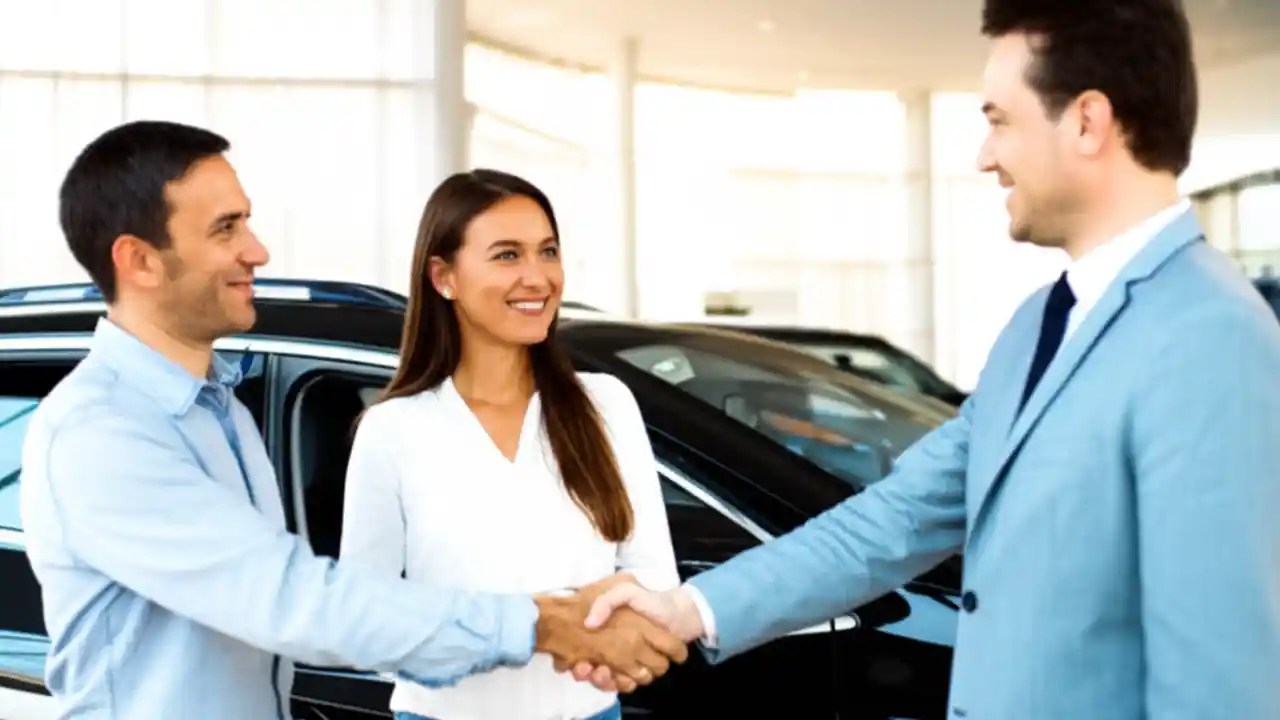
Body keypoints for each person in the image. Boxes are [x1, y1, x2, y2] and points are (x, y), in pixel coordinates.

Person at [579, 1, 1280, 718]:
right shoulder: (1041, 323)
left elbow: (1218, 690)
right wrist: (688, 608)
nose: (984, 155)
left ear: (1088, 122)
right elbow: (895, 519)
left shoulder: (1212, 339)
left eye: (999, 119)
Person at [17, 120, 686, 720]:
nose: (258, 251)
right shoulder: (101, 435)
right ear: (138, 260)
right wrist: (545, 622)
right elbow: (298, 603)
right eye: (227, 228)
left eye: (247, 221)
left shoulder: (220, 415)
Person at [338, 169, 680, 720]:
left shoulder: (606, 405)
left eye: (548, 252)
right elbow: (367, 620)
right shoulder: (394, 430)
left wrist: (609, 619)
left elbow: (656, 579)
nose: (538, 277)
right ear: (444, 276)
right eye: (507, 255)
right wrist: (542, 623)